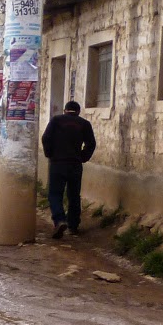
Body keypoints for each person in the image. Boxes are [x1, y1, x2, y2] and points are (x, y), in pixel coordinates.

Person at [40, 100, 96, 239]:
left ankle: (59, 220)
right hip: (75, 164)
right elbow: (91, 143)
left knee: (55, 194)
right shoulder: (84, 123)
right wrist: (83, 157)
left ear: (65, 110)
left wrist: (49, 154)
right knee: (74, 195)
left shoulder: (56, 120)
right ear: (78, 112)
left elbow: (46, 137)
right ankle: (73, 226)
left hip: (58, 163)